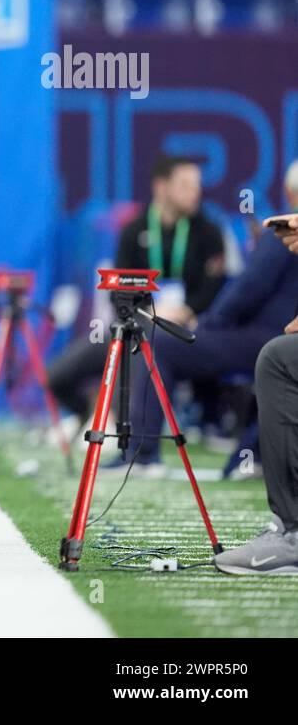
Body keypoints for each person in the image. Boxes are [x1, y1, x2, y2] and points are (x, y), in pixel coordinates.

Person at [117, 166, 298, 477]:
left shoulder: (282, 230)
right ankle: (242, 445)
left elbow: (246, 292)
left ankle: (142, 452)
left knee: (160, 342)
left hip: (268, 338)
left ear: (289, 193)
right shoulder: (139, 229)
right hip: (275, 337)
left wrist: (207, 325)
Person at [47, 155, 225, 422]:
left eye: (197, 185)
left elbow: (215, 290)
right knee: (56, 376)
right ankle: (88, 412)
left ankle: (125, 427)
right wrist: (150, 313)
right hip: (137, 322)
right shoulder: (134, 231)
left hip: (186, 328)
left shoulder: (210, 233)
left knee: (137, 347)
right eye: (186, 185)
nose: (195, 192)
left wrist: (187, 310)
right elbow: (116, 290)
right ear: (161, 187)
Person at [213, 199, 298, 575]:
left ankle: (294, 532)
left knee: (278, 360)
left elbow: (241, 297)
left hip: (245, 334)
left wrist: (201, 326)